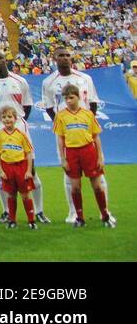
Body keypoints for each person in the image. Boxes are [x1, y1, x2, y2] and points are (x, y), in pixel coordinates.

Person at [0, 49, 44, 222]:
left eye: (0, 58)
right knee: (3, 172)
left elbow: (27, 105)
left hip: (19, 124)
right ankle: (7, 211)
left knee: (32, 169)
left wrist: (17, 123)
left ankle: (39, 211)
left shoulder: (20, 81)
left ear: (5, 59)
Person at [41, 48, 102, 224]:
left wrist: (89, 124)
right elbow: (49, 107)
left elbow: (92, 102)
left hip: (85, 129)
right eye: (61, 55)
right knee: (69, 172)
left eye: (68, 55)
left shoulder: (85, 78)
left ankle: (104, 211)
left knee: (97, 171)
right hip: (65, 133)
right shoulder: (48, 82)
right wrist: (63, 126)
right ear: (54, 59)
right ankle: (73, 212)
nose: (65, 58)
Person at [53, 84, 113, 228]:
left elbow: (96, 136)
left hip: (88, 151)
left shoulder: (88, 114)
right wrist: (63, 158)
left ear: (78, 97)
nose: (68, 101)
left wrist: (100, 156)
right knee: (75, 187)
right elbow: (60, 139)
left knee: (97, 186)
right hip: (72, 153)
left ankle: (105, 215)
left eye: (71, 97)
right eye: (66, 98)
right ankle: (80, 217)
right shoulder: (61, 116)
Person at [0, 106, 35, 229]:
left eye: (10, 117)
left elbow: (28, 153)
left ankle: (31, 221)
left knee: (25, 194)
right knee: (11, 194)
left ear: (15, 119)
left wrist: (28, 170)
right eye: (4, 117)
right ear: (1, 120)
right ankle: (12, 220)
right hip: (7, 168)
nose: (7, 119)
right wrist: (0, 171)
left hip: (21, 166)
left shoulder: (21, 134)